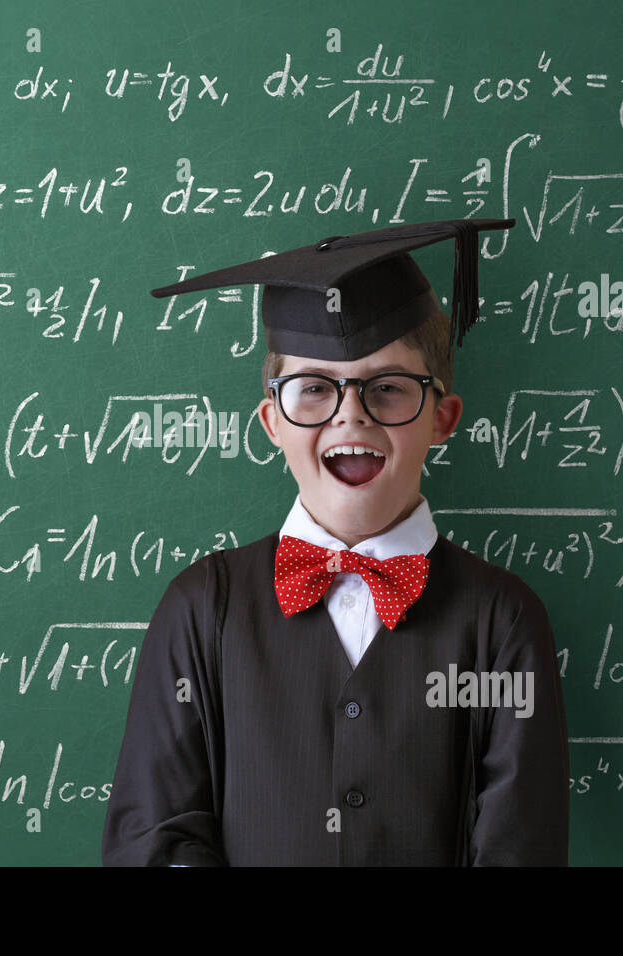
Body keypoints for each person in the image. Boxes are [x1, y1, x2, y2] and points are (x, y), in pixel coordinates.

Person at [102, 219, 569, 866]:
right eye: (315, 389)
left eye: (387, 388)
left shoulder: (501, 620)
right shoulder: (202, 609)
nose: (351, 414)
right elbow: (155, 840)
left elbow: (519, 849)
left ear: (443, 418)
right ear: (272, 421)